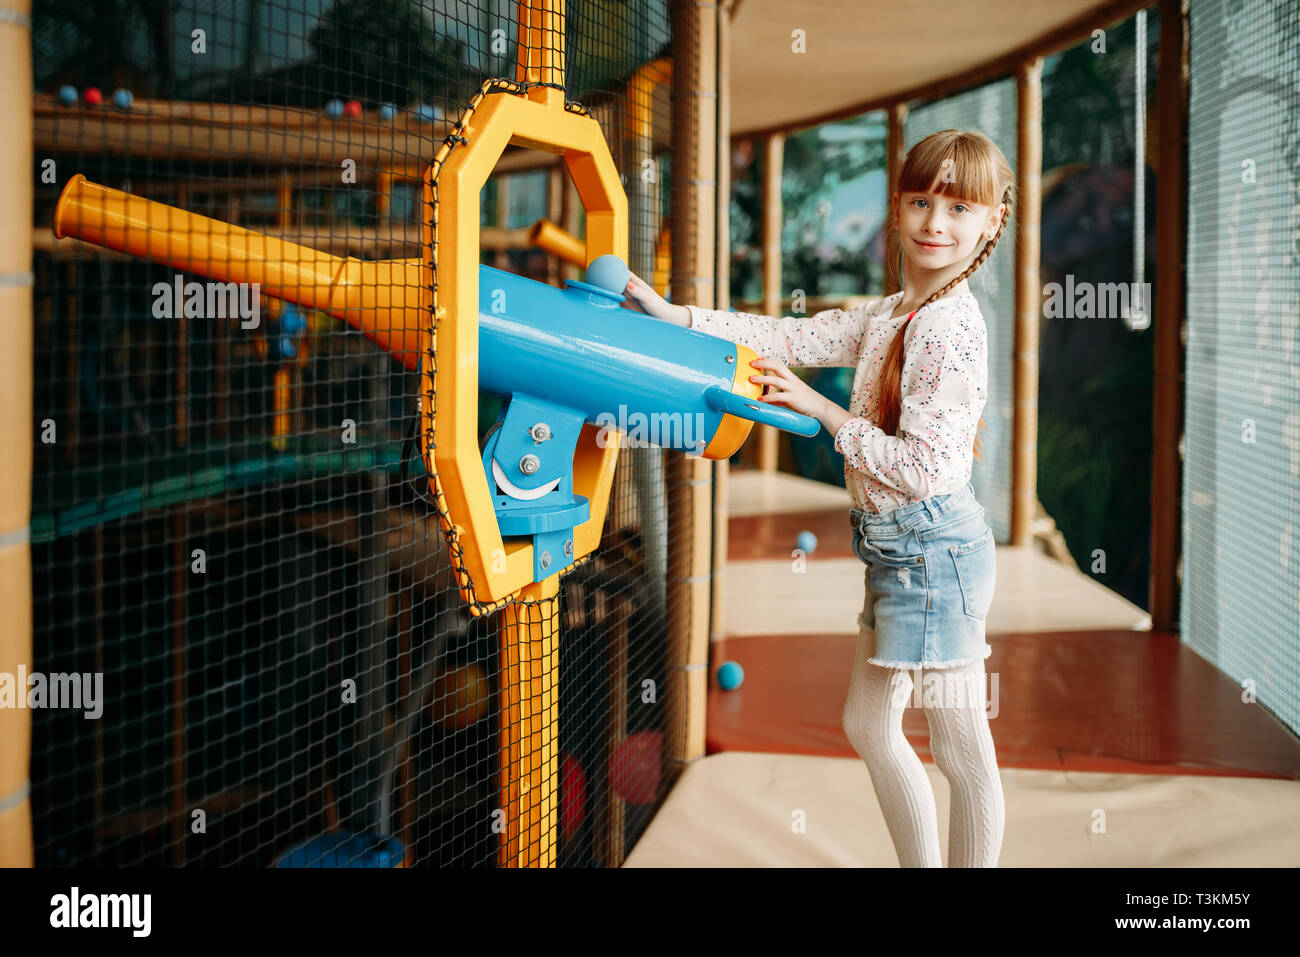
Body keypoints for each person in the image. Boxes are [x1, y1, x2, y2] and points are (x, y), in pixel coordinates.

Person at [620, 128, 1011, 867]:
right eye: (923, 200)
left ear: (990, 222)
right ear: (898, 209)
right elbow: (786, 335)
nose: (936, 222)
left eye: (960, 208)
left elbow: (922, 470)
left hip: (934, 553)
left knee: (961, 745)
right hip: (900, 552)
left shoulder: (949, 330)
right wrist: (677, 318)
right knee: (870, 723)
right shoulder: (894, 312)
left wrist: (826, 414)